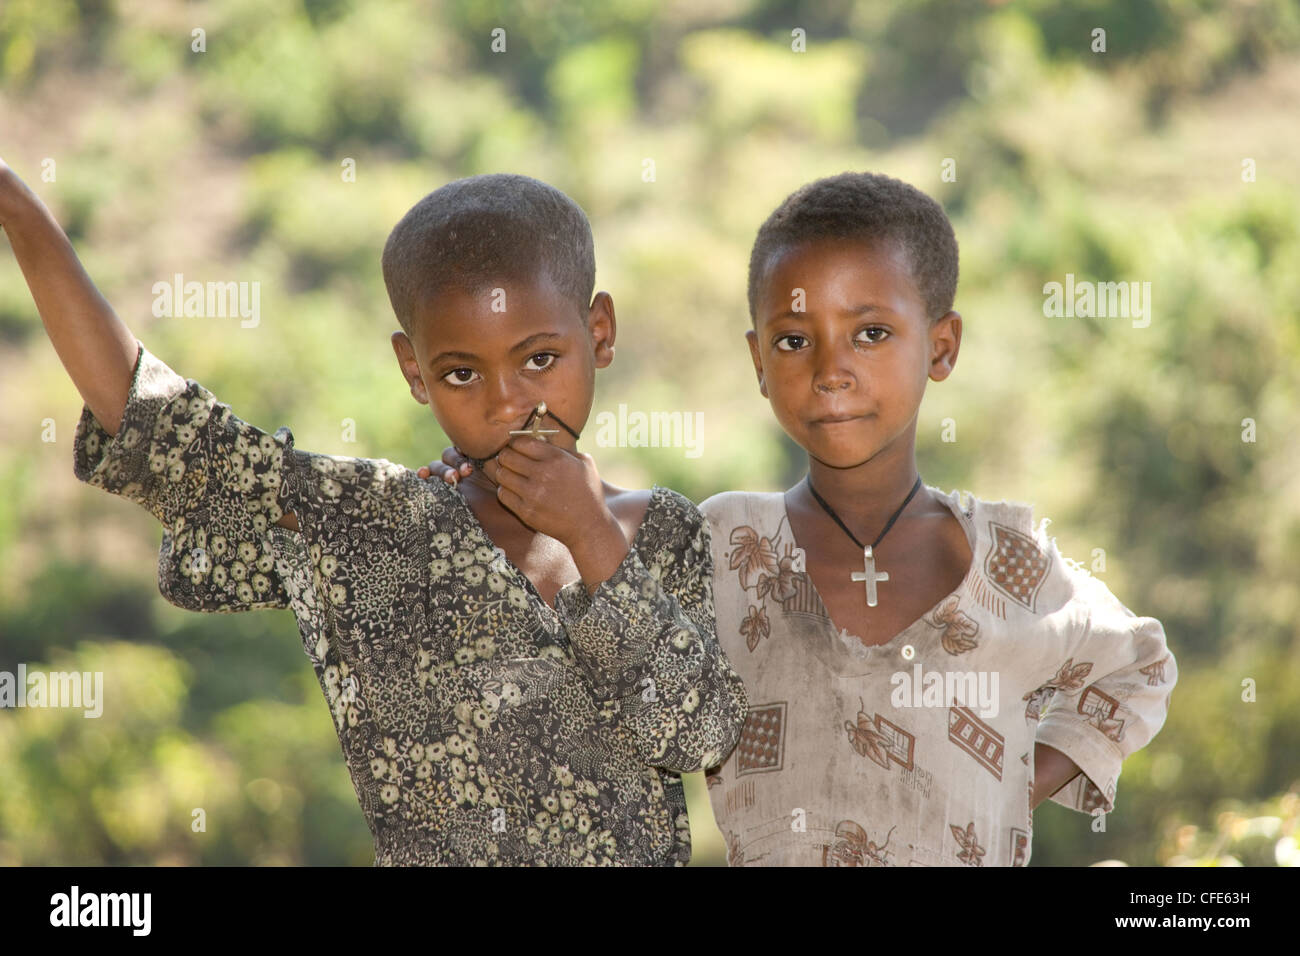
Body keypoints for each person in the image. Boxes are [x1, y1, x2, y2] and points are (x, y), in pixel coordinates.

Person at [418, 171, 1177, 867]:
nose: (830, 369)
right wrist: (480, 477)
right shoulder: (721, 546)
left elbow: (1138, 664)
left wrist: (1008, 789)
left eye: (871, 333)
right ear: (757, 362)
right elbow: (594, 596)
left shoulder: (1006, 561)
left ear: (941, 347)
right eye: (793, 340)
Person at [0, 161, 747, 866]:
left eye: (540, 359)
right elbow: (164, 430)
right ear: (414, 371)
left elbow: (699, 732)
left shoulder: (663, 531)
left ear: (600, 333)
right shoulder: (371, 527)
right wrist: (21, 212)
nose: (507, 401)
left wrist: (590, 534)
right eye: (462, 373)